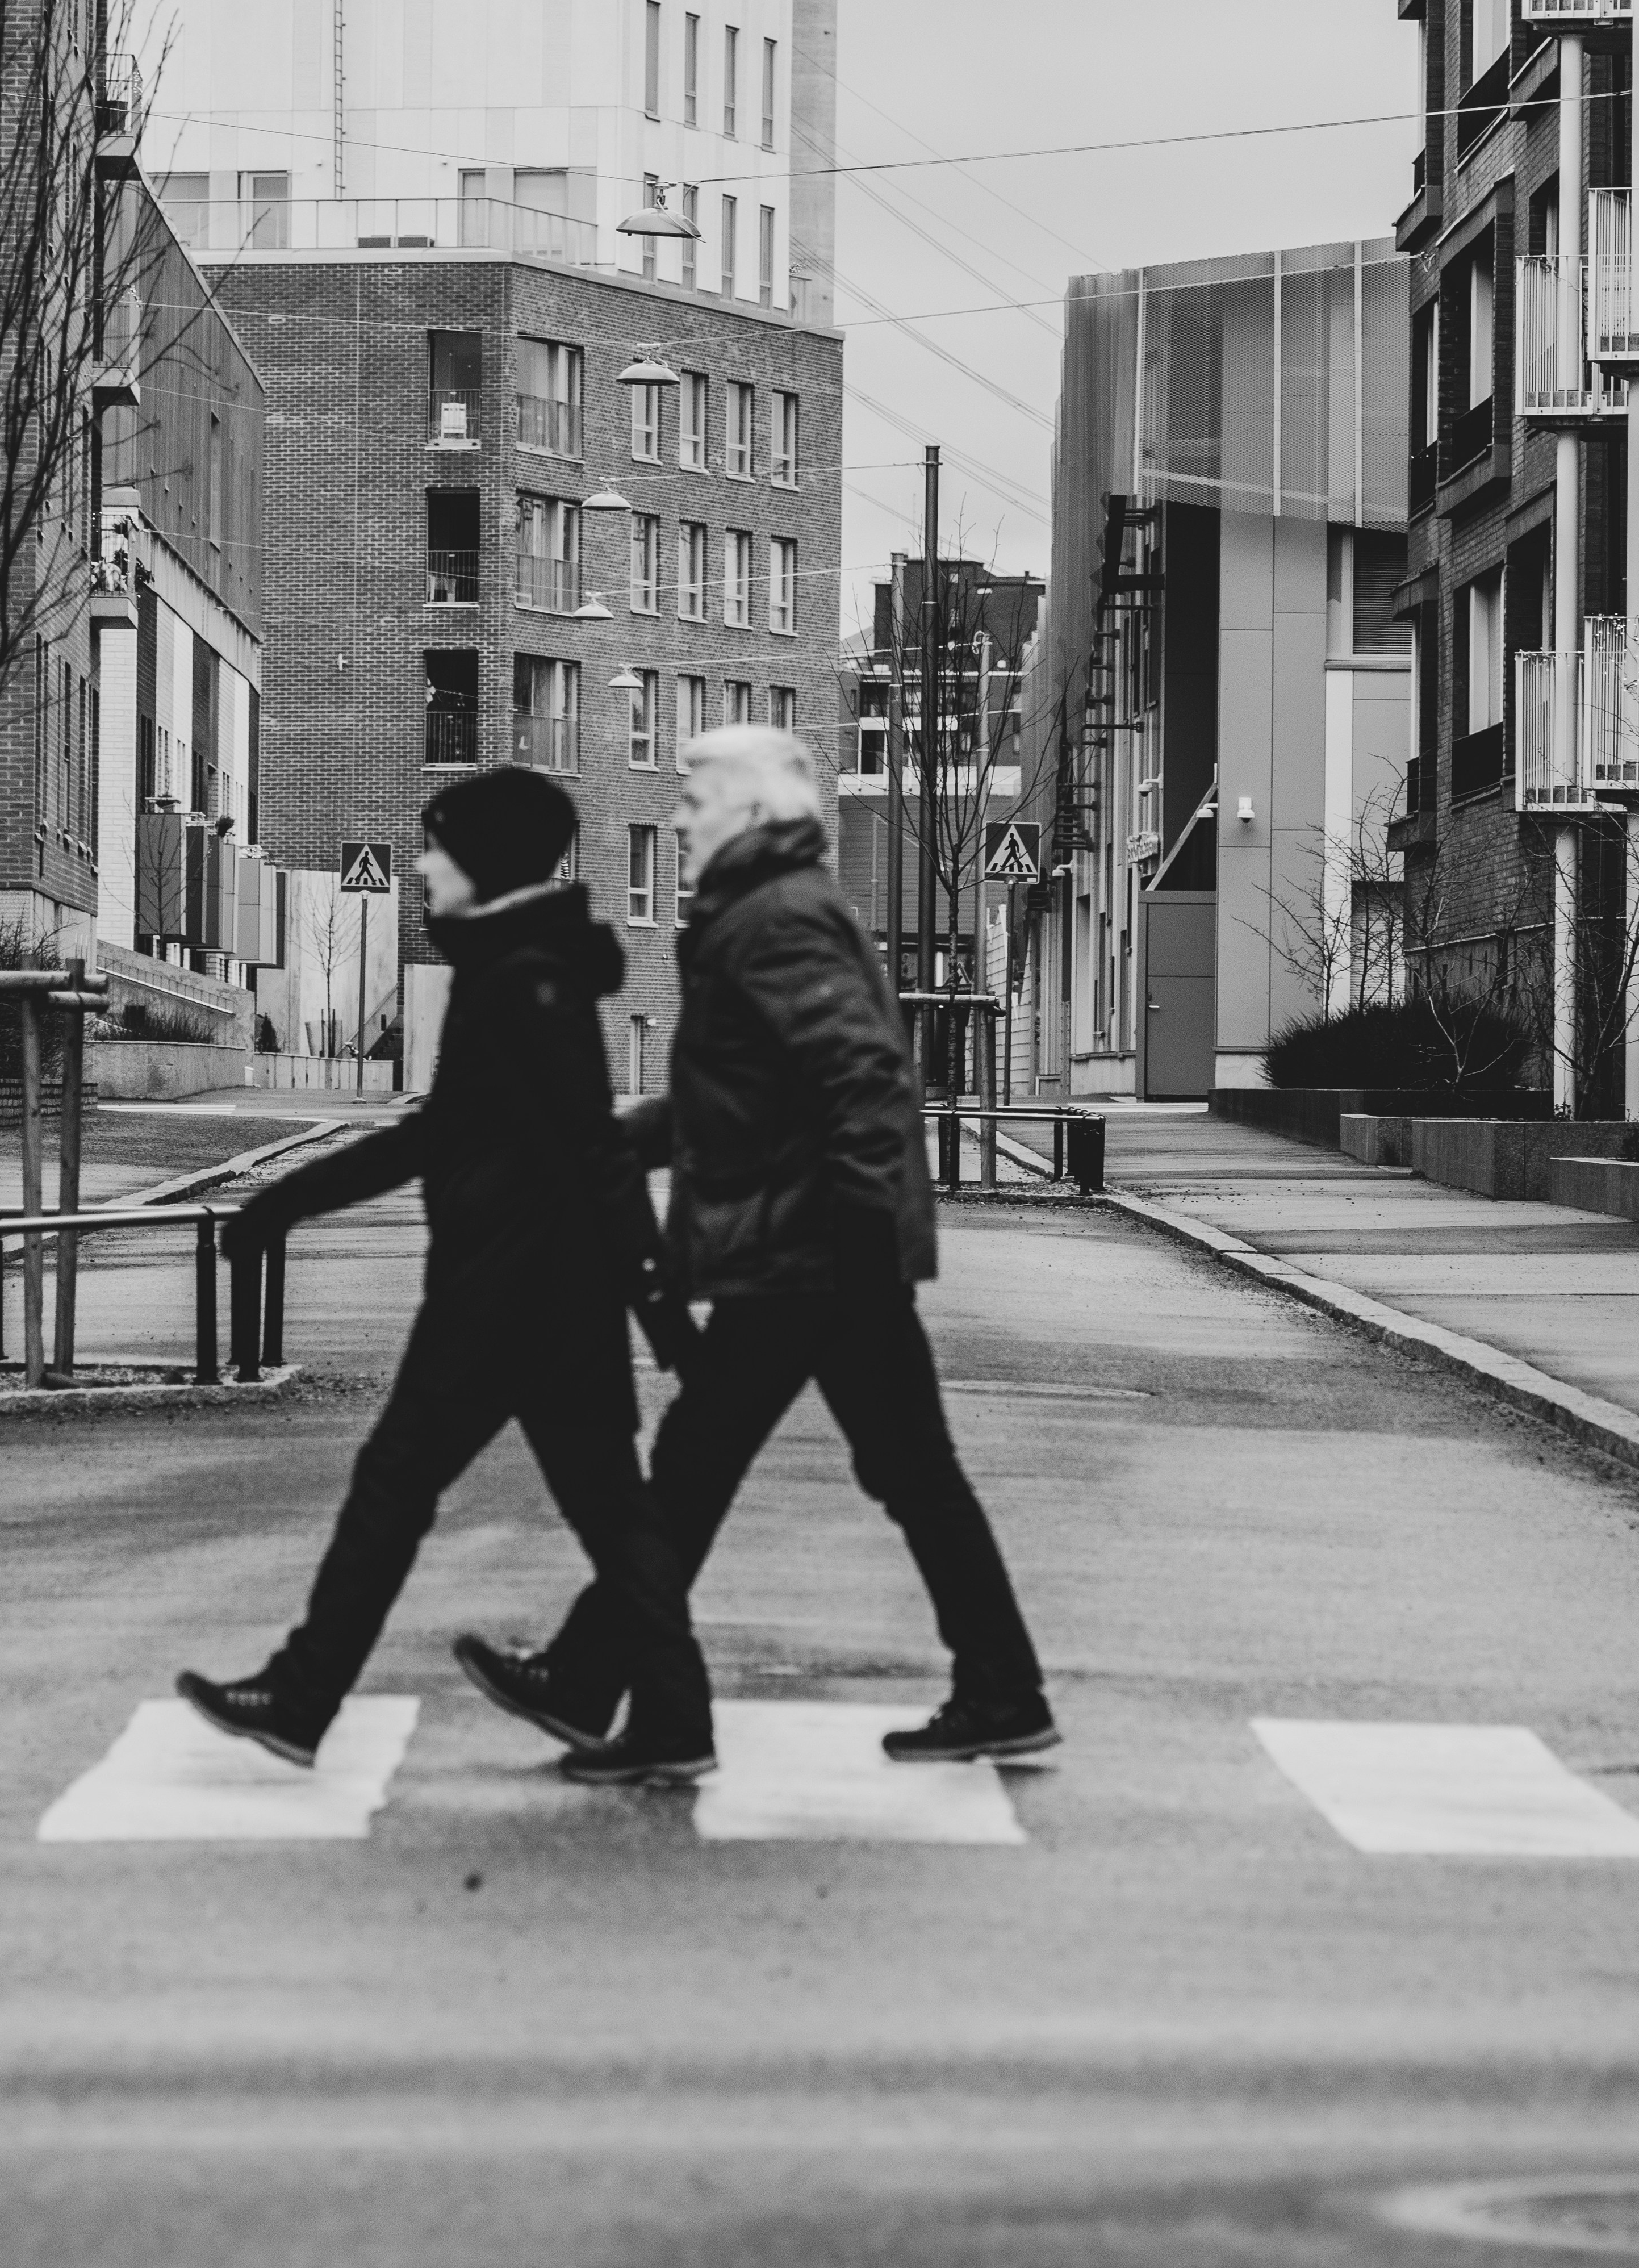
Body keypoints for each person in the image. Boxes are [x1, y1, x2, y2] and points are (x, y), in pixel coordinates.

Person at [455, 725, 1057, 1771]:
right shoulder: (766, 912)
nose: (679, 818)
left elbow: (862, 1080)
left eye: (693, 800)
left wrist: (864, 1245)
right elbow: (748, 1090)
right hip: (815, 1248)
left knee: (694, 1473)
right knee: (891, 1474)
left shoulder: (778, 919)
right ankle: (1000, 1688)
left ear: (744, 811)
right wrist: (622, 1140)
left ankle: (605, 1683)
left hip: (812, 1252)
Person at [175, 765, 717, 1788]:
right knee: (609, 1511)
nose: (423, 863)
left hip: (505, 1295)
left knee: (401, 1488)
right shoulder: (523, 966)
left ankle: (302, 1694)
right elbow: (465, 1136)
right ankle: (675, 1716)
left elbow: (577, 1151)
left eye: (438, 844)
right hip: (551, 1295)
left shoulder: (521, 979)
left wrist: (282, 1202)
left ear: (486, 858)